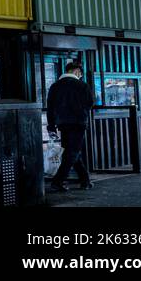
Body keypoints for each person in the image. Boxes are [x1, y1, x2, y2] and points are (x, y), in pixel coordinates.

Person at [46, 61, 95, 192]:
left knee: (72, 152)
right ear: (77, 72)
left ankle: (85, 180)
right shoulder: (82, 85)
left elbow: (50, 107)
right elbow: (90, 103)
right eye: (80, 74)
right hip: (78, 123)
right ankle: (58, 181)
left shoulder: (55, 86)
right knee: (73, 152)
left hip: (62, 124)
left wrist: (51, 125)